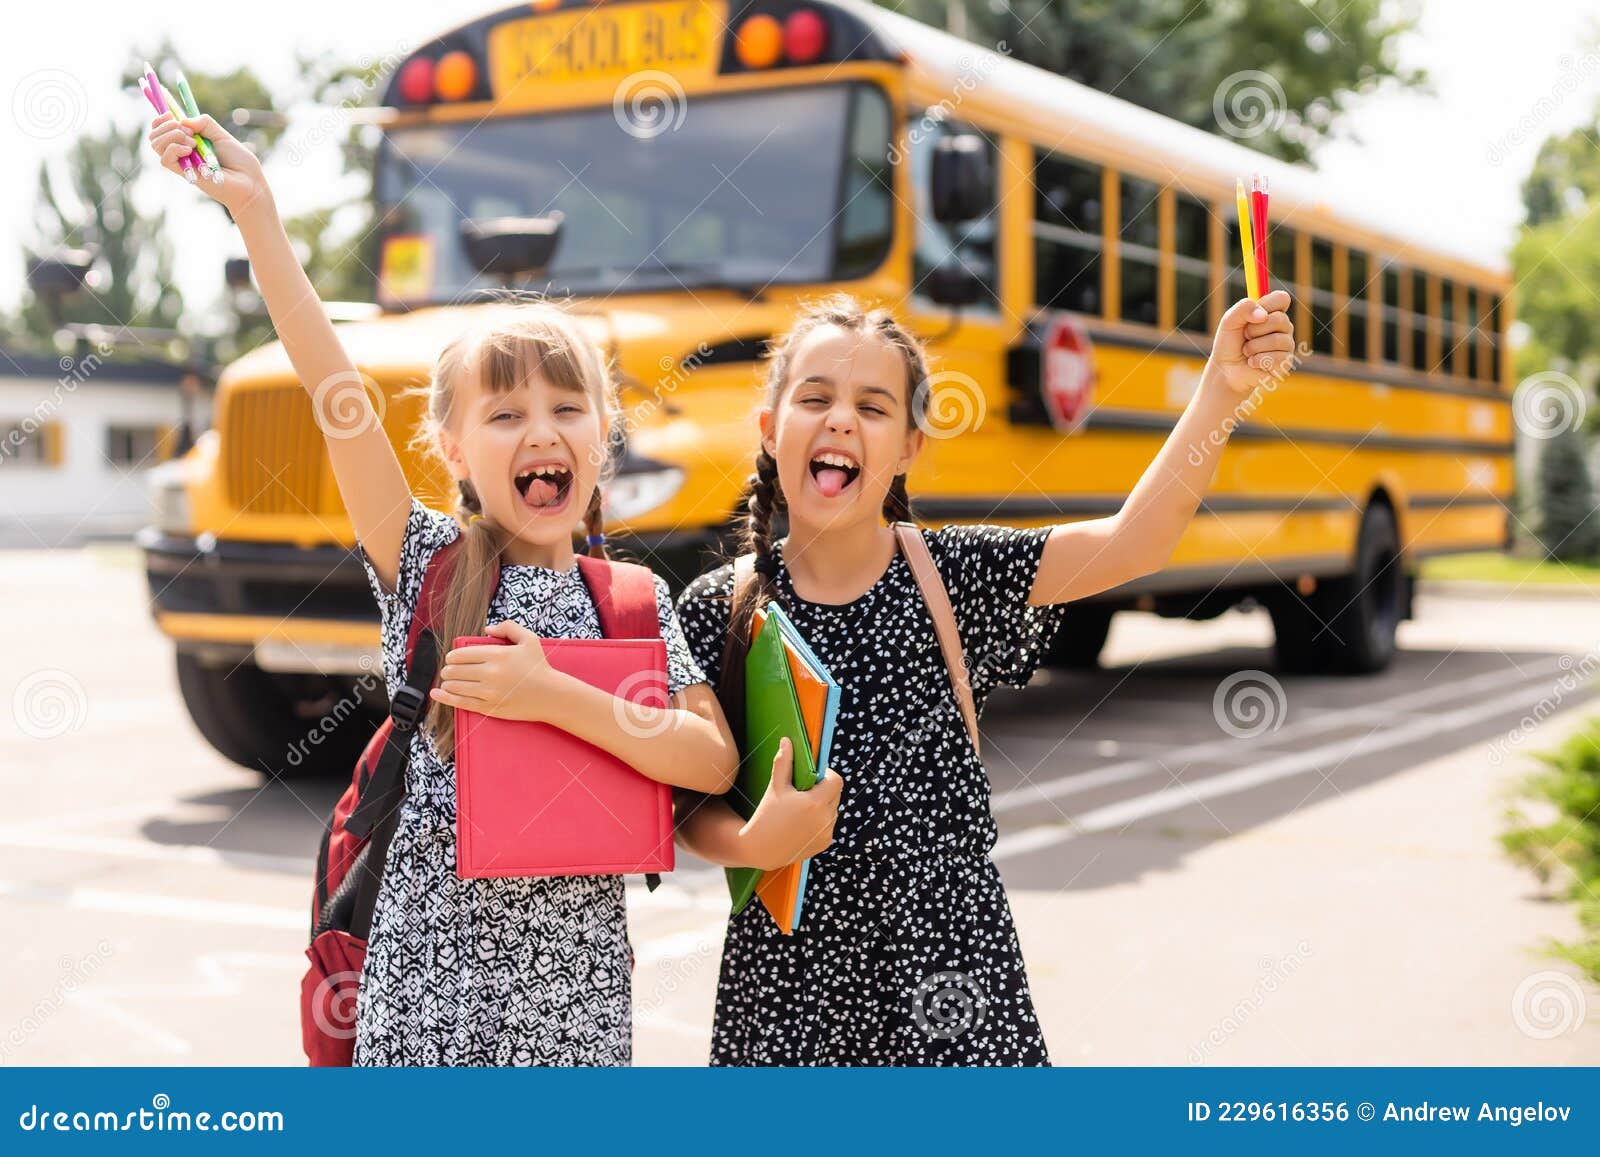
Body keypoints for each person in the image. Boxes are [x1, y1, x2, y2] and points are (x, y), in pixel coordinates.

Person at [146, 110, 740, 1066]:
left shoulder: (630, 599)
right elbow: (332, 389)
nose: (540, 431)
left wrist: (554, 695)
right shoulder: (430, 567)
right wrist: (255, 214)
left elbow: (708, 760)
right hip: (426, 1005)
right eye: (505, 412)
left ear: (603, 438)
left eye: (566, 407)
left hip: (580, 1012)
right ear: (454, 449)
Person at [675, 290, 1297, 1065]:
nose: (840, 419)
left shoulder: (953, 574)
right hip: (784, 984)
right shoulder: (717, 609)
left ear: (909, 446)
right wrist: (751, 840)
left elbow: (1133, 543)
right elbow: (689, 806)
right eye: (815, 397)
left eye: (873, 406)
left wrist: (1221, 391)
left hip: (953, 966)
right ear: (770, 431)